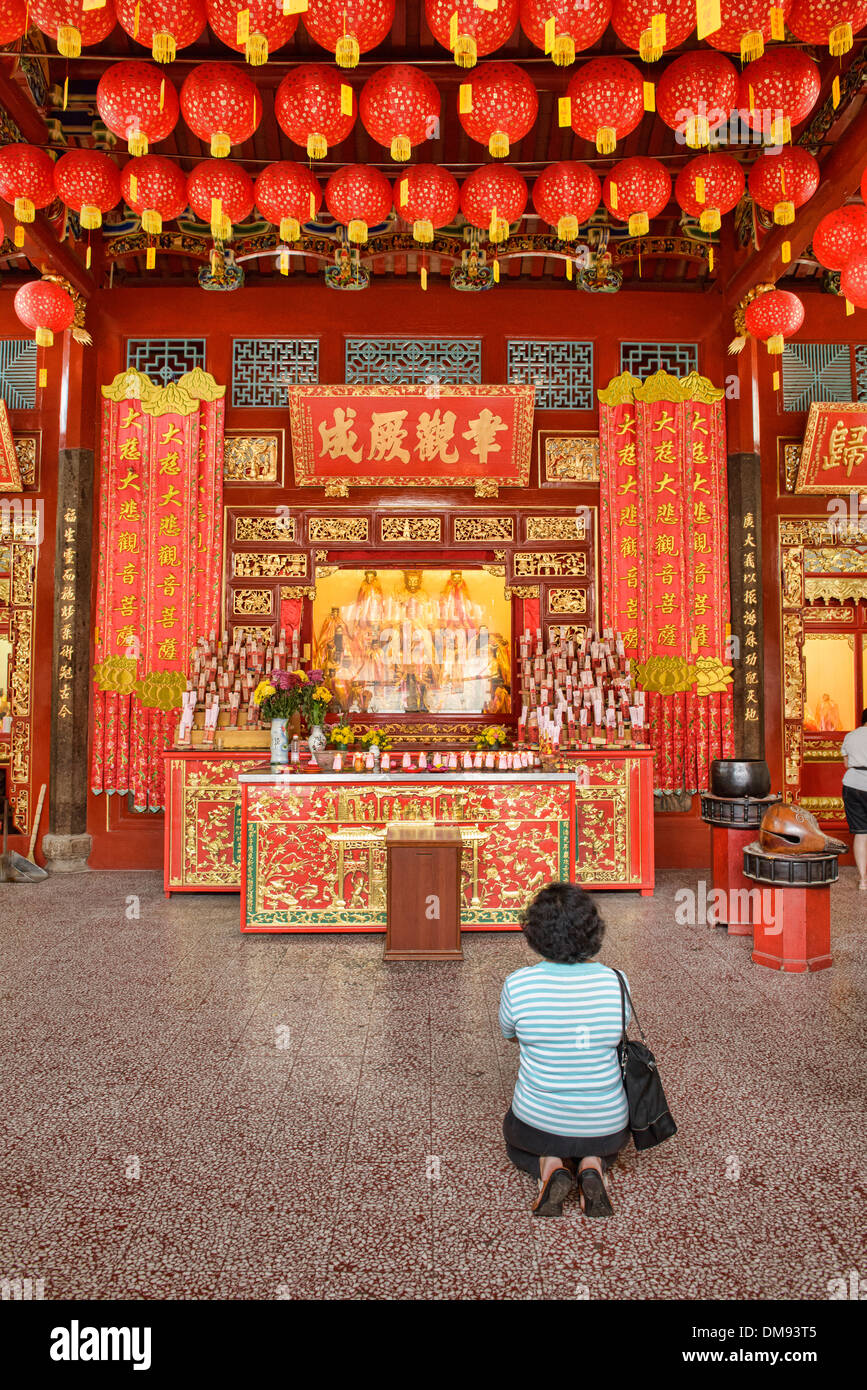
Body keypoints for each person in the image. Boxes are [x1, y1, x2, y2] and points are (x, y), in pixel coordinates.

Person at [499, 883, 631, 1219]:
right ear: (593, 931)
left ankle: (550, 1168)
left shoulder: (518, 984)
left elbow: (509, 1035)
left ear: (535, 934)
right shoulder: (617, 981)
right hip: (607, 1124)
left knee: (517, 1141)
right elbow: (617, 1035)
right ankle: (592, 1166)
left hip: (537, 1120)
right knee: (604, 1146)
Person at [842, 707, 867, 890]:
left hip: (853, 784)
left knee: (861, 833)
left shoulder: (850, 736)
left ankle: (863, 880)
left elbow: (846, 763)